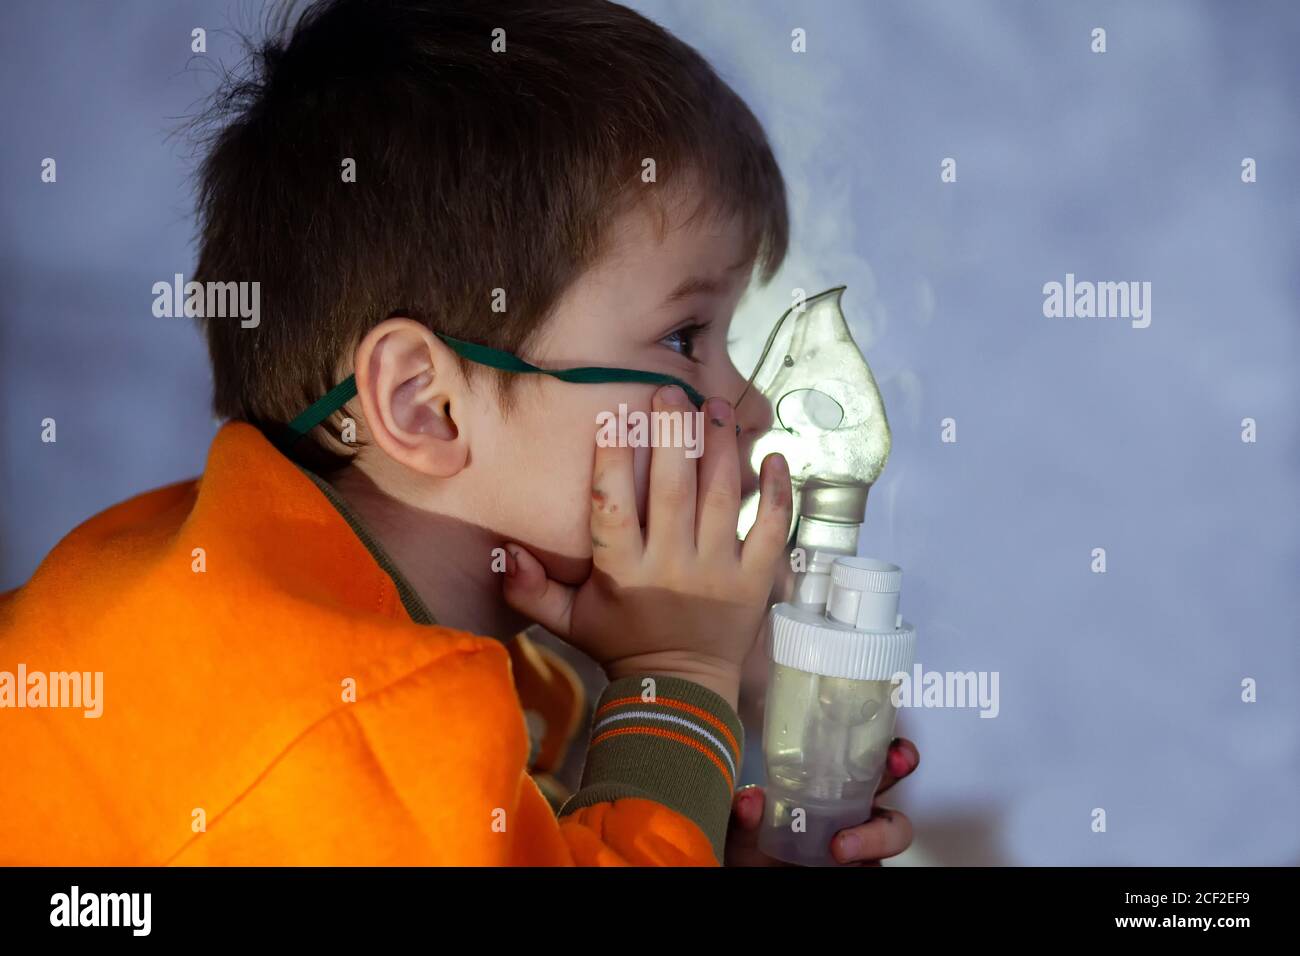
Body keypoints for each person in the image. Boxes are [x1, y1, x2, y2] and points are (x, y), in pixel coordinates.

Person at [0, 0, 917, 865]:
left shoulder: (232, 576)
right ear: (425, 406)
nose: (747, 407)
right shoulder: (359, 720)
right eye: (686, 339)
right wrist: (676, 675)